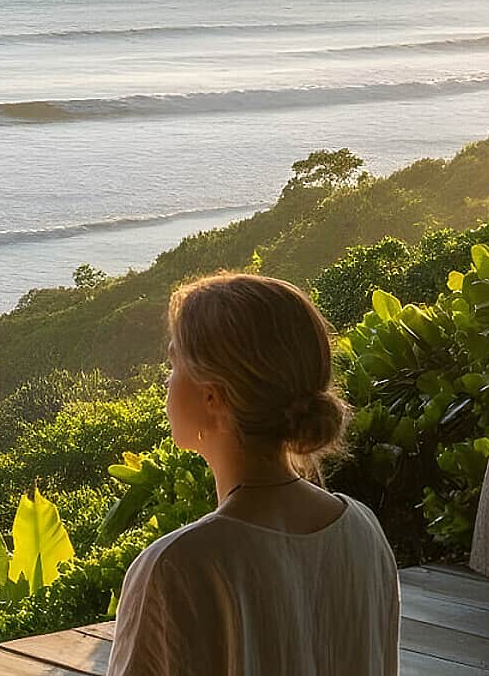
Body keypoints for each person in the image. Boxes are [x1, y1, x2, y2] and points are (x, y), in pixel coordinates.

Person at [108, 273, 399, 676]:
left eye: (173, 365)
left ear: (212, 396)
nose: (166, 381)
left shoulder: (179, 565)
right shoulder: (363, 531)